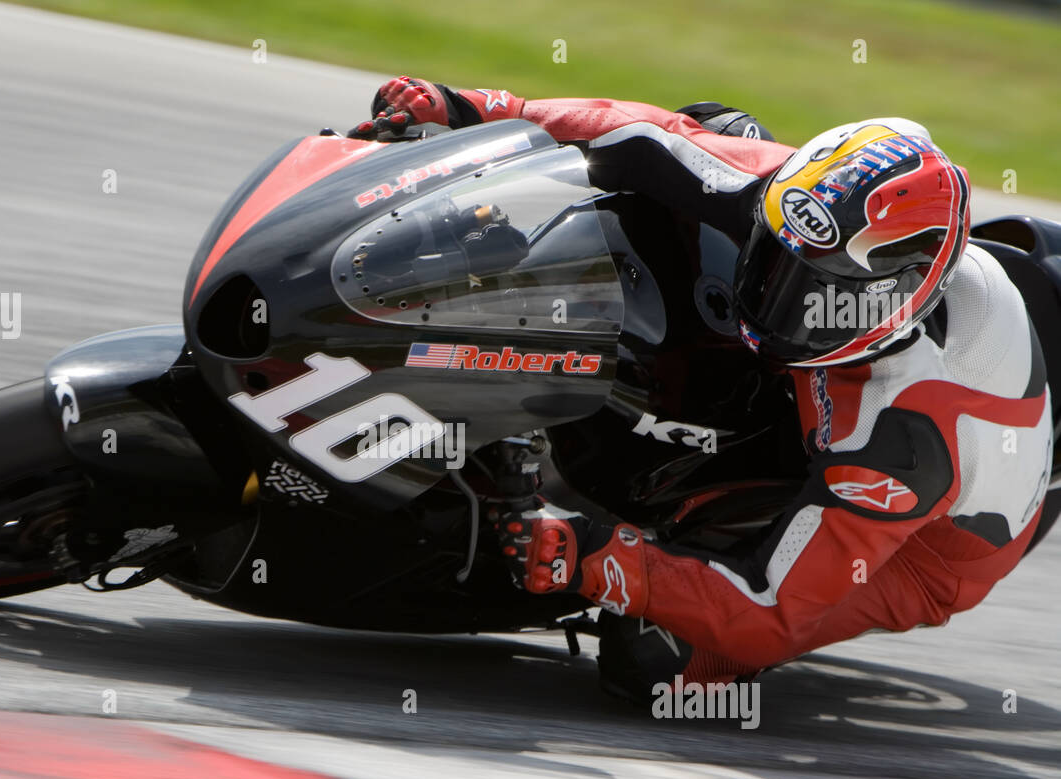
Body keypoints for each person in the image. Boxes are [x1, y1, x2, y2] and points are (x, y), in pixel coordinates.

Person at [350, 78, 1054, 702]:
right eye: (776, 261)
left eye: (812, 293)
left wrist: (593, 555)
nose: (777, 296)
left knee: (654, 664)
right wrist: (475, 107)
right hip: (817, 390)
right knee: (715, 126)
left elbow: (768, 600)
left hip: (914, 549)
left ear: (897, 300)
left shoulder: (905, 440)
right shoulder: (799, 203)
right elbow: (640, 133)